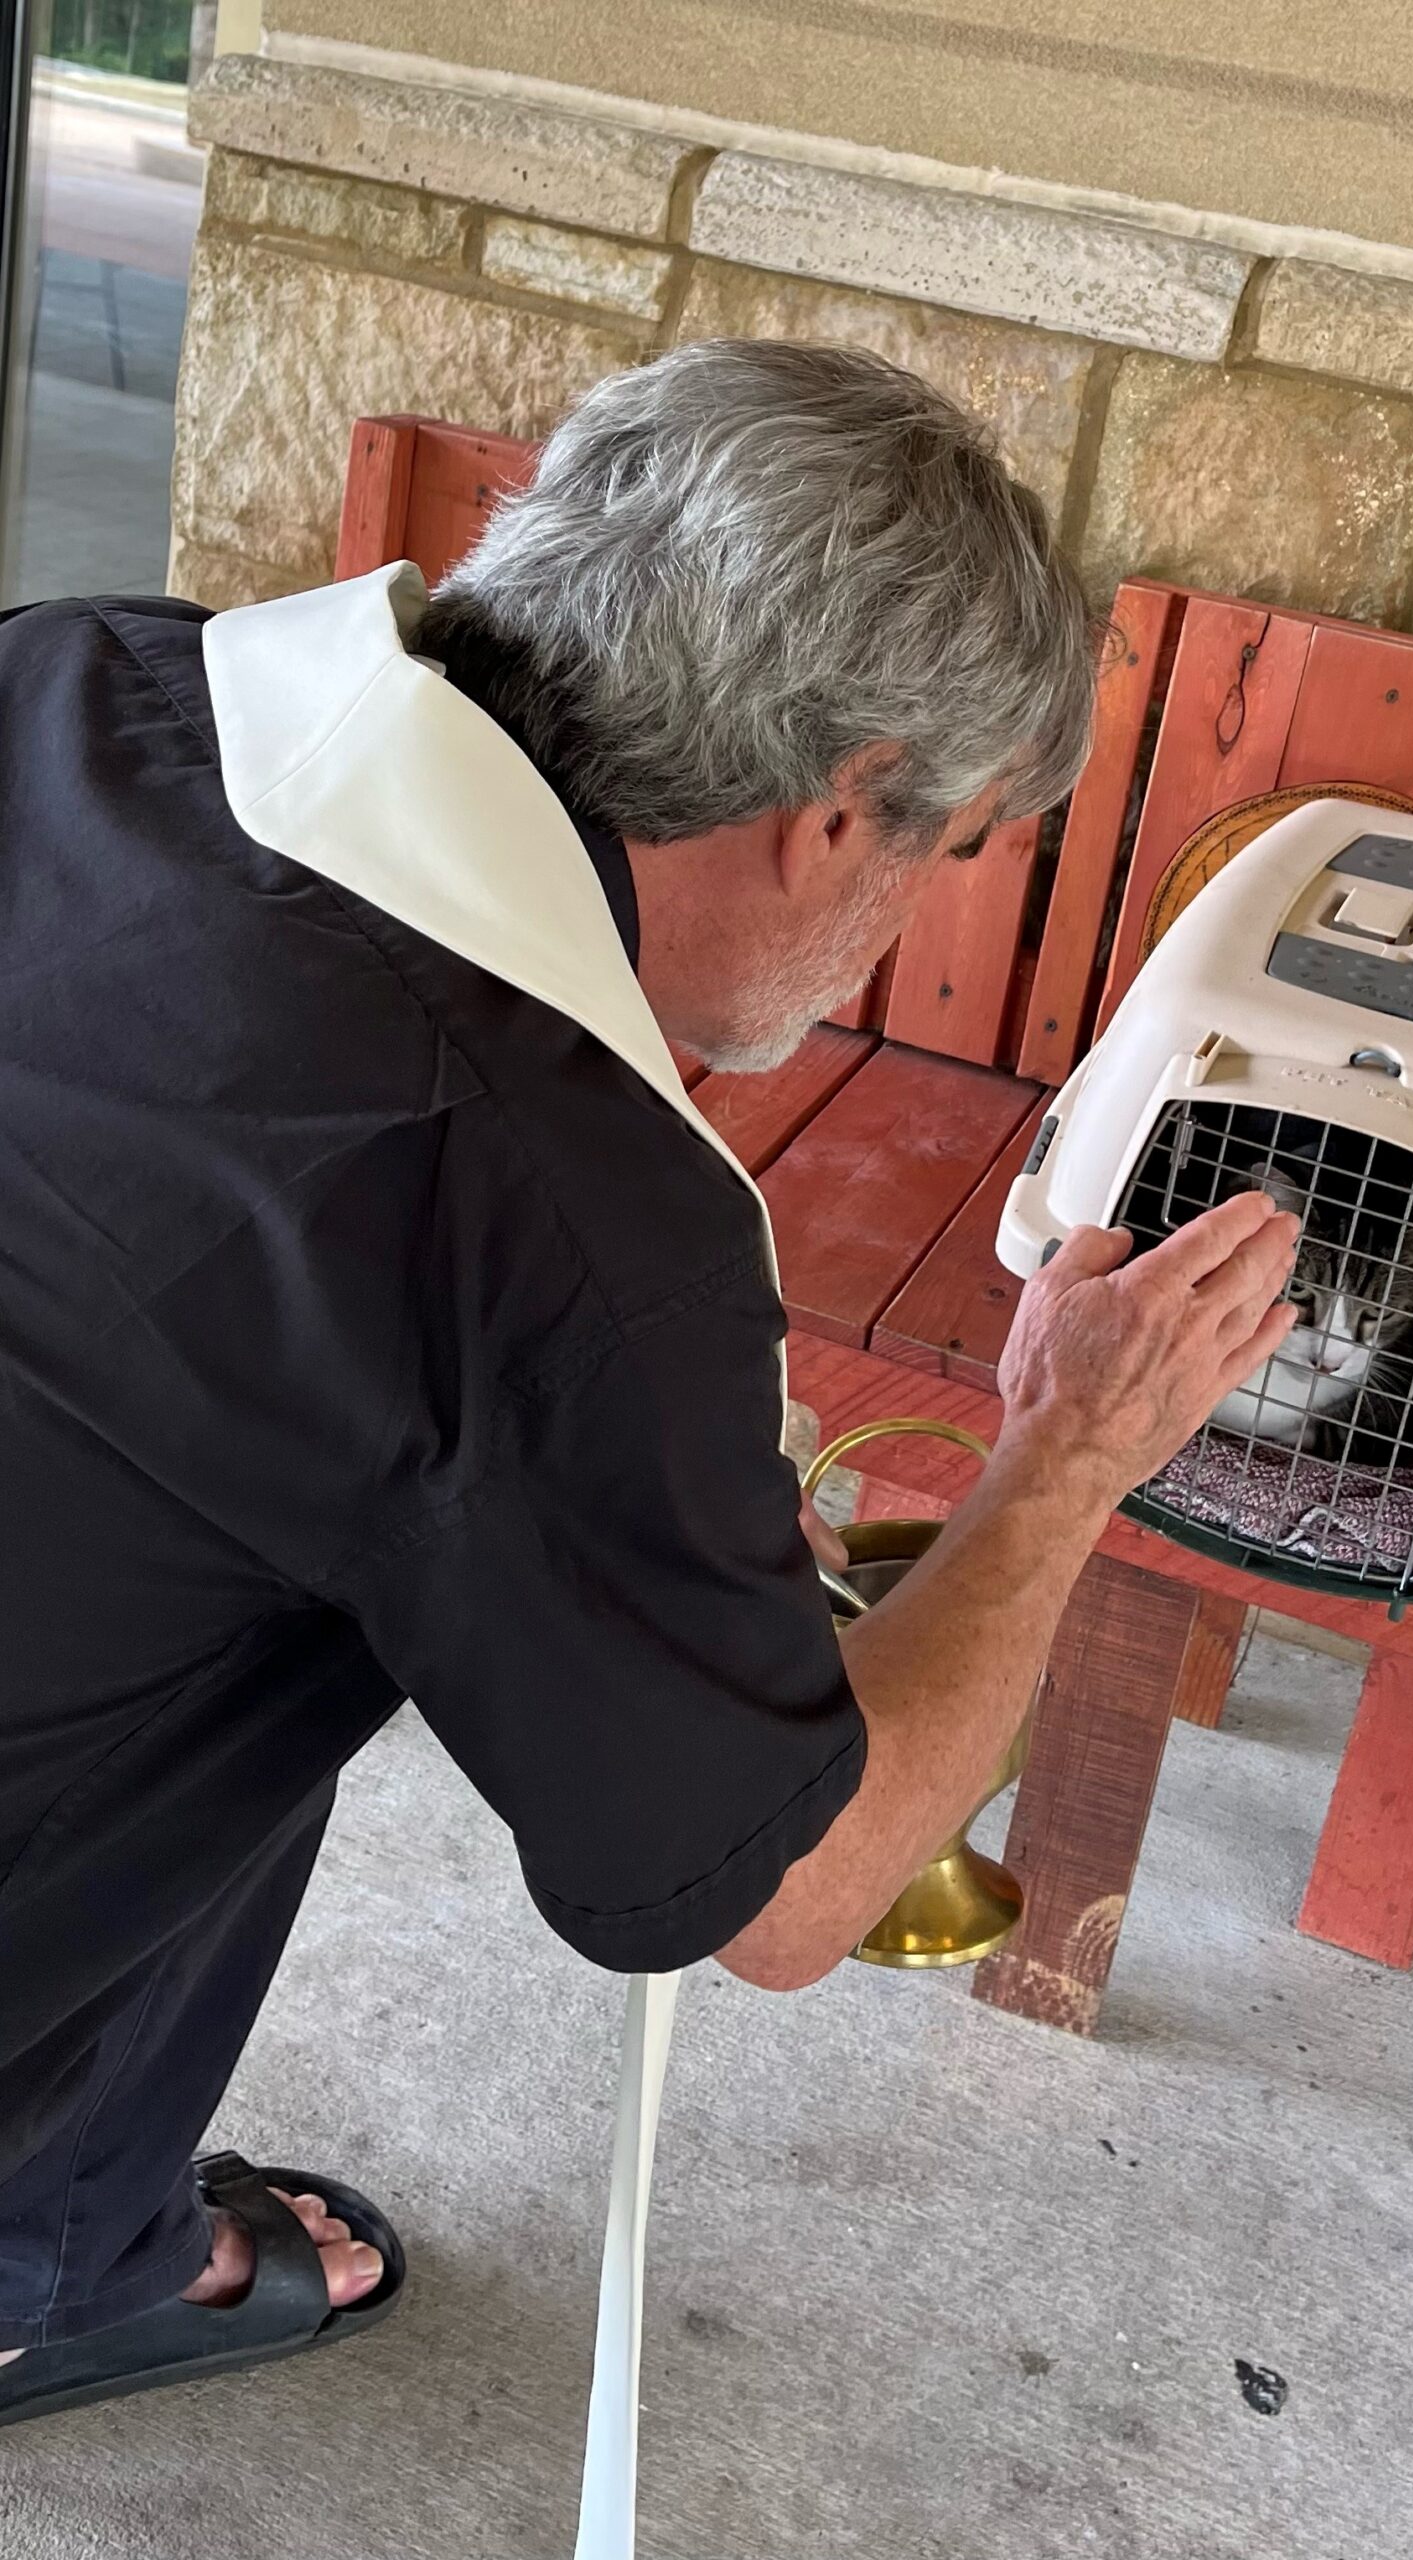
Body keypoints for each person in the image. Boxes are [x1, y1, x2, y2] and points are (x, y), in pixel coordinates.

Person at [0, 338, 1297, 2420]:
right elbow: (789, 1899)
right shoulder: (565, 1211)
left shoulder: (83, 672)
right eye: (937, 855)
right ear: (837, 808)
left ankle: (68, 2211)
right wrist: (1065, 1454)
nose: (895, 923)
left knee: (258, 1593)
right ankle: (42, 2264)